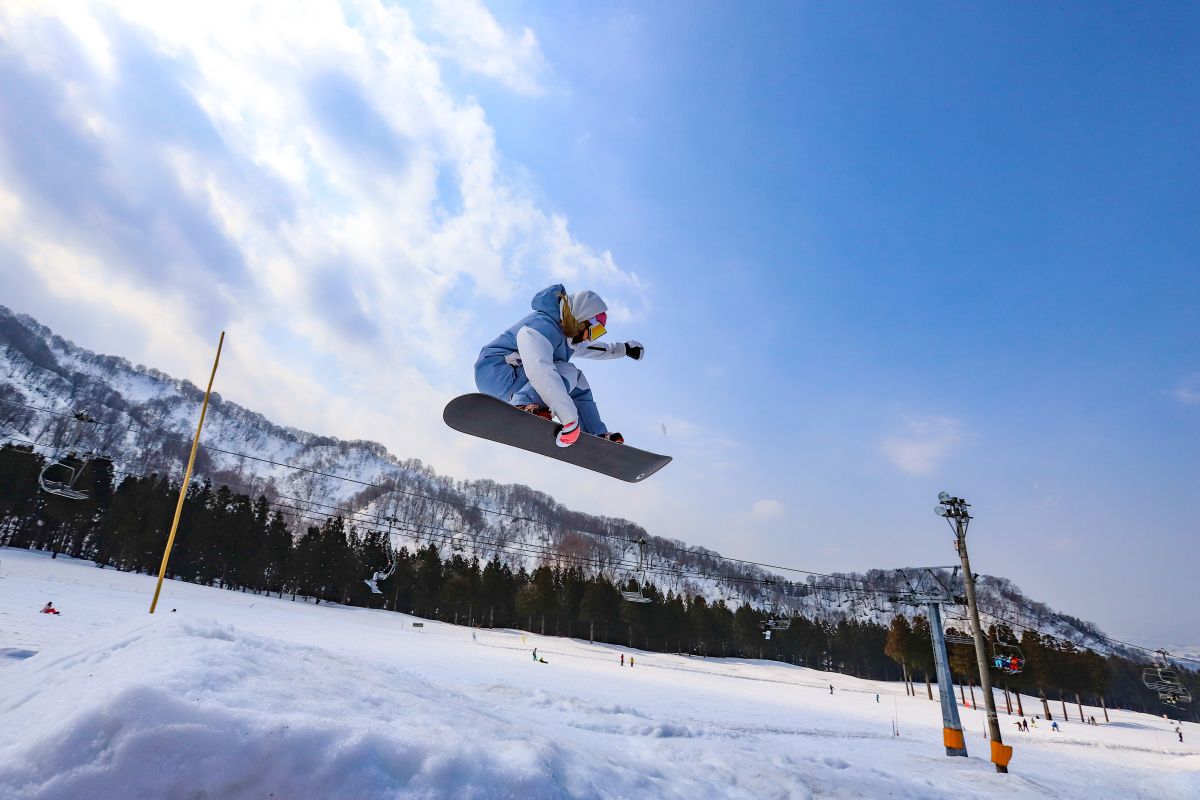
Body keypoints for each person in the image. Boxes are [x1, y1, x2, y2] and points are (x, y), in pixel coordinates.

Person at [474, 284, 644, 447]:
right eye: (595, 331)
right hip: (499, 372)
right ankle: (522, 405)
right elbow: (540, 369)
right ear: (583, 319)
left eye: (598, 334)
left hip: (517, 380)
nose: (591, 338)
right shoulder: (541, 327)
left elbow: (594, 349)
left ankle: (596, 433)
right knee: (567, 371)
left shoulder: (568, 337)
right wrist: (568, 417)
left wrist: (624, 349)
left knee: (577, 379)